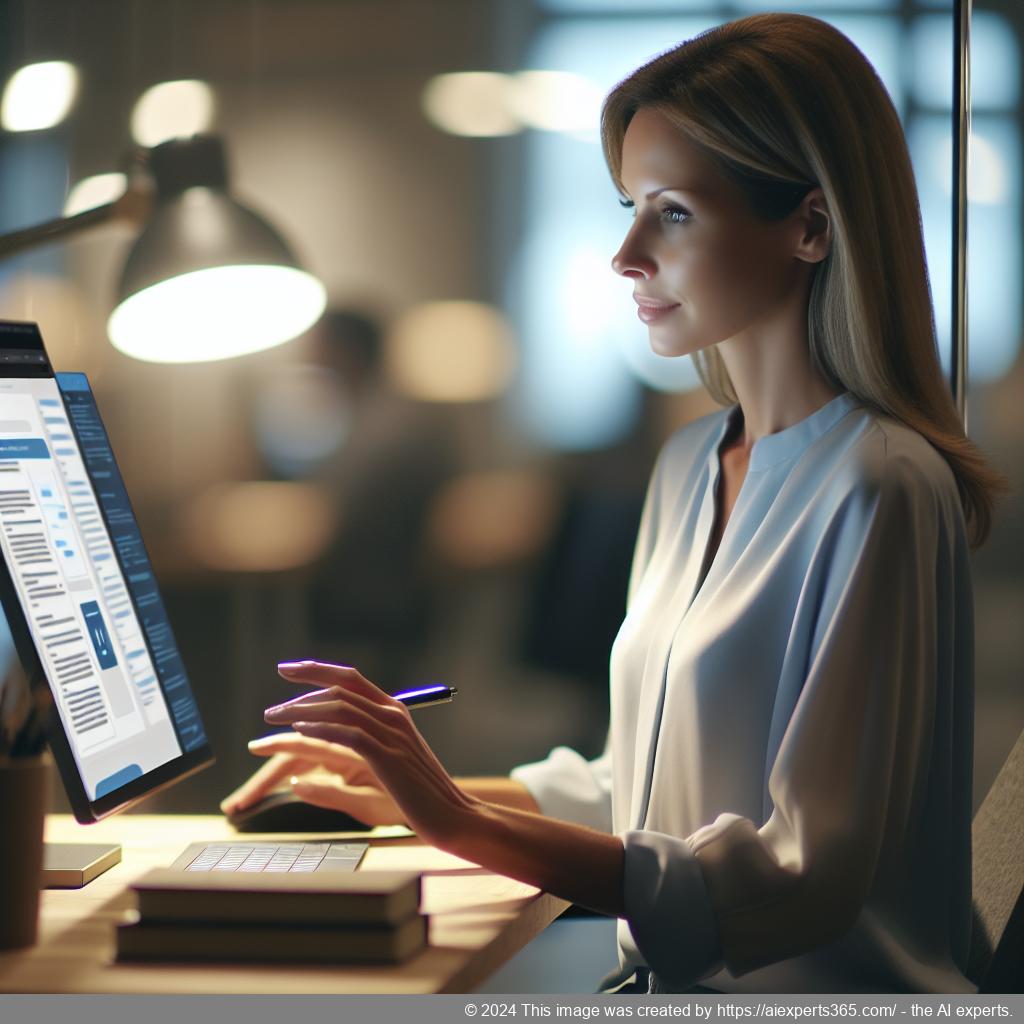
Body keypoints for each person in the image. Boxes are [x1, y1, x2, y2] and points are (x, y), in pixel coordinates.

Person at [220, 13, 1010, 994]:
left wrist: (454, 821)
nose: (626, 253)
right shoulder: (687, 465)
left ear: (811, 225)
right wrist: (406, 789)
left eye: (672, 211)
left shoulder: (879, 486)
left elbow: (803, 879)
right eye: (628, 207)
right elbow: (637, 792)